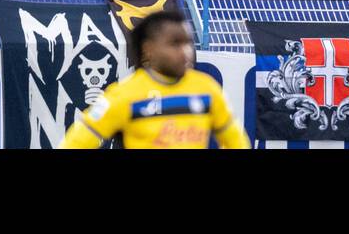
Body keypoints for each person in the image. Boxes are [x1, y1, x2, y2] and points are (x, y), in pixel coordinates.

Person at [59, 10, 250, 149]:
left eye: (187, 43)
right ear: (148, 48)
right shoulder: (123, 95)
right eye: (175, 43)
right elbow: (77, 142)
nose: (186, 51)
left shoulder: (207, 88)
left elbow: (236, 140)